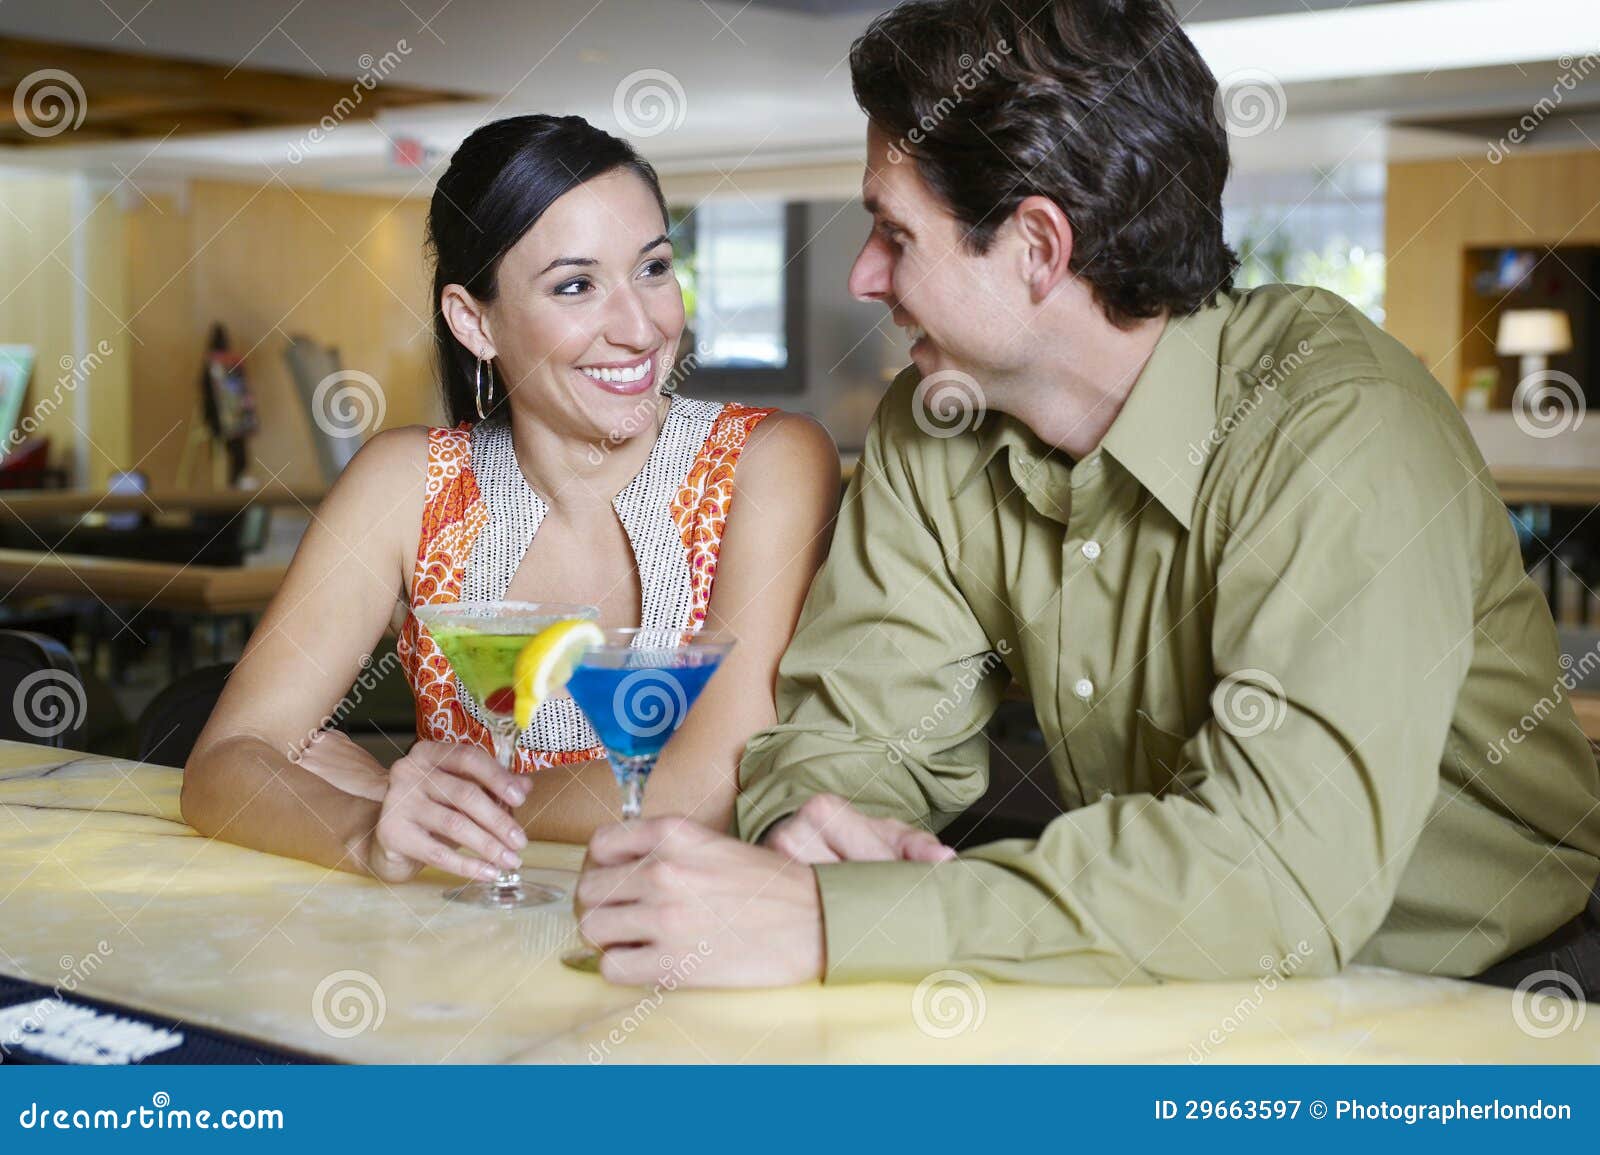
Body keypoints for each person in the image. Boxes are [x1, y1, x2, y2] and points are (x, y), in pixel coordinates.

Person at [572, 0, 1600, 992]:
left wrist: (837, 918)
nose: (862, 278)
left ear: (1035, 248)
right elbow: (850, 738)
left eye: (894, 233)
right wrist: (814, 830)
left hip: (1487, 984)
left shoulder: (1339, 425)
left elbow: (1279, 877)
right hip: (1158, 962)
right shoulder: (931, 425)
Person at [181, 115, 839, 887]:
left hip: (690, 954)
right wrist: (368, 830)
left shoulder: (772, 462)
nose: (641, 326)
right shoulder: (404, 487)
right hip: (459, 964)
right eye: (576, 285)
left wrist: (427, 800)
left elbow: (705, 791)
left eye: (654, 268)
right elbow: (223, 765)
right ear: (475, 320)